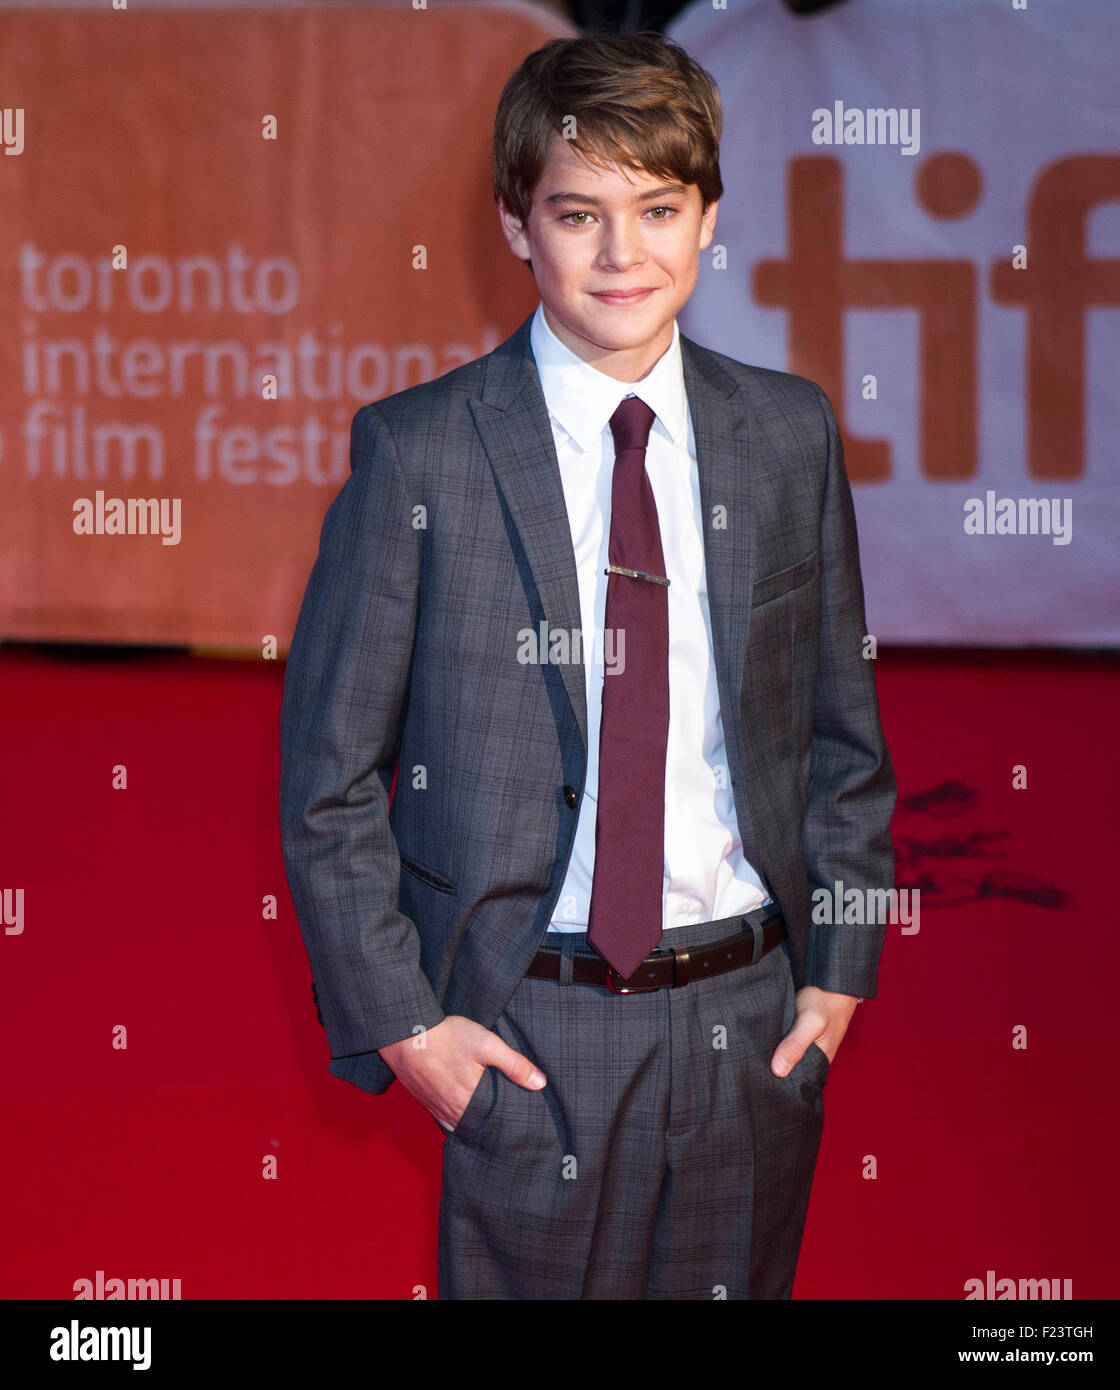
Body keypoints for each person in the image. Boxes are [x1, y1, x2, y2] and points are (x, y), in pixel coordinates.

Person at [279, 30, 895, 1300]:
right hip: (528, 1024)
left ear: (709, 217)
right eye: (581, 213)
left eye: (658, 209)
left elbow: (843, 734)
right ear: (518, 224)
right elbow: (329, 782)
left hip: (751, 1020)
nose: (625, 255)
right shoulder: (422, 455)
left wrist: (838, 978)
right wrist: (407, 1027)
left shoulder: (788, 437)